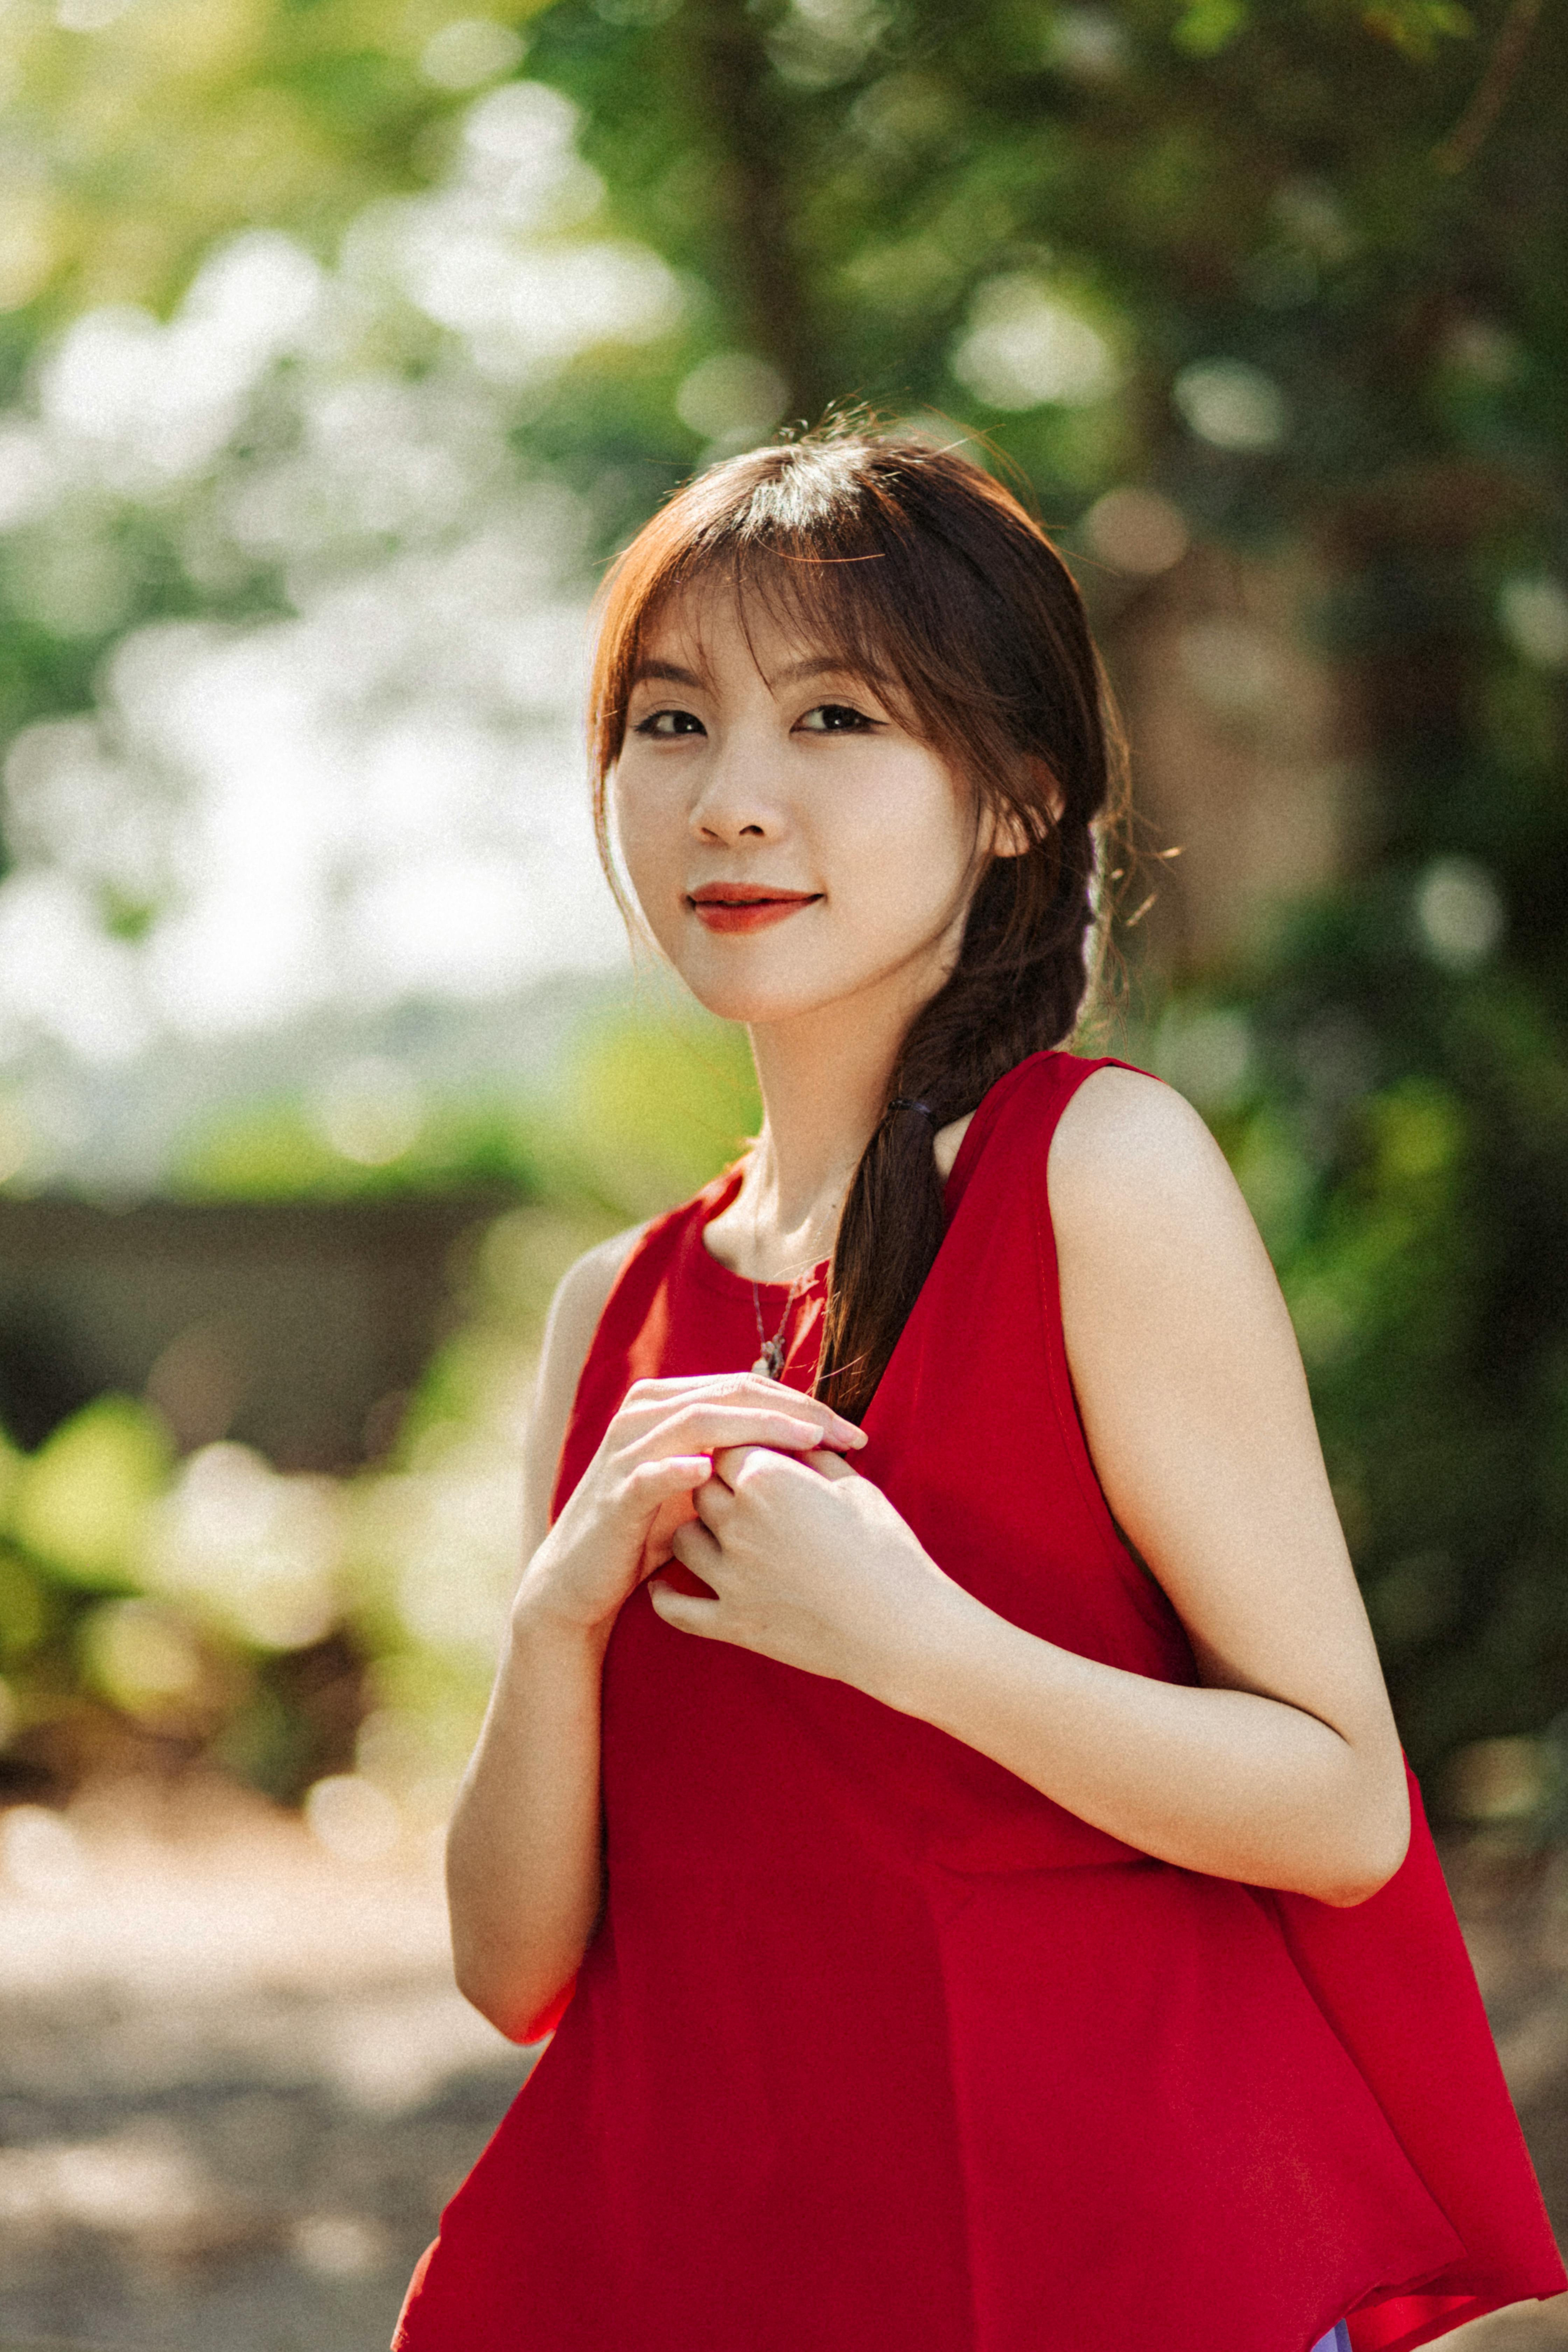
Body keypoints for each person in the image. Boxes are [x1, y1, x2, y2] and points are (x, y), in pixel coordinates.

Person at [393, 429, 1563, 2352]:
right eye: (671, 725)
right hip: (701, 2262)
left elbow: (1343, 1803)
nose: (732, 804)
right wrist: (554, 1620)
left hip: (1100, 2262)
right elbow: (513, 1967)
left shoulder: (1095, 1174)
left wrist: (907, 1640)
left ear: (1017, 790)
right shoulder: (619, 1309)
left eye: (835, 717)